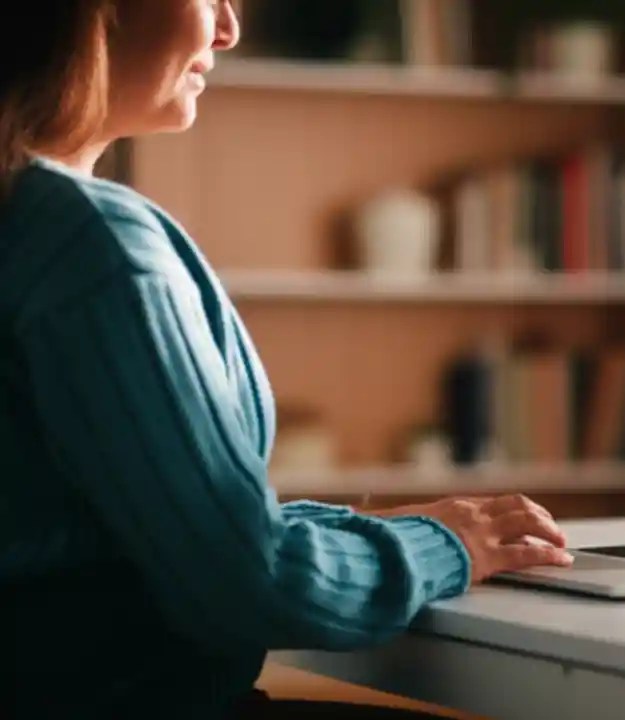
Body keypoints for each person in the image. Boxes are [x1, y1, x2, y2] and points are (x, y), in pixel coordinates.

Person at [0, 1, 574, 717]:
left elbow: (99, 536)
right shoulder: (91, 242)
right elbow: (250, 585)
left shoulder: (30, 223)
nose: (229, 27)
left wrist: (377, 530)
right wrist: (447, 544)